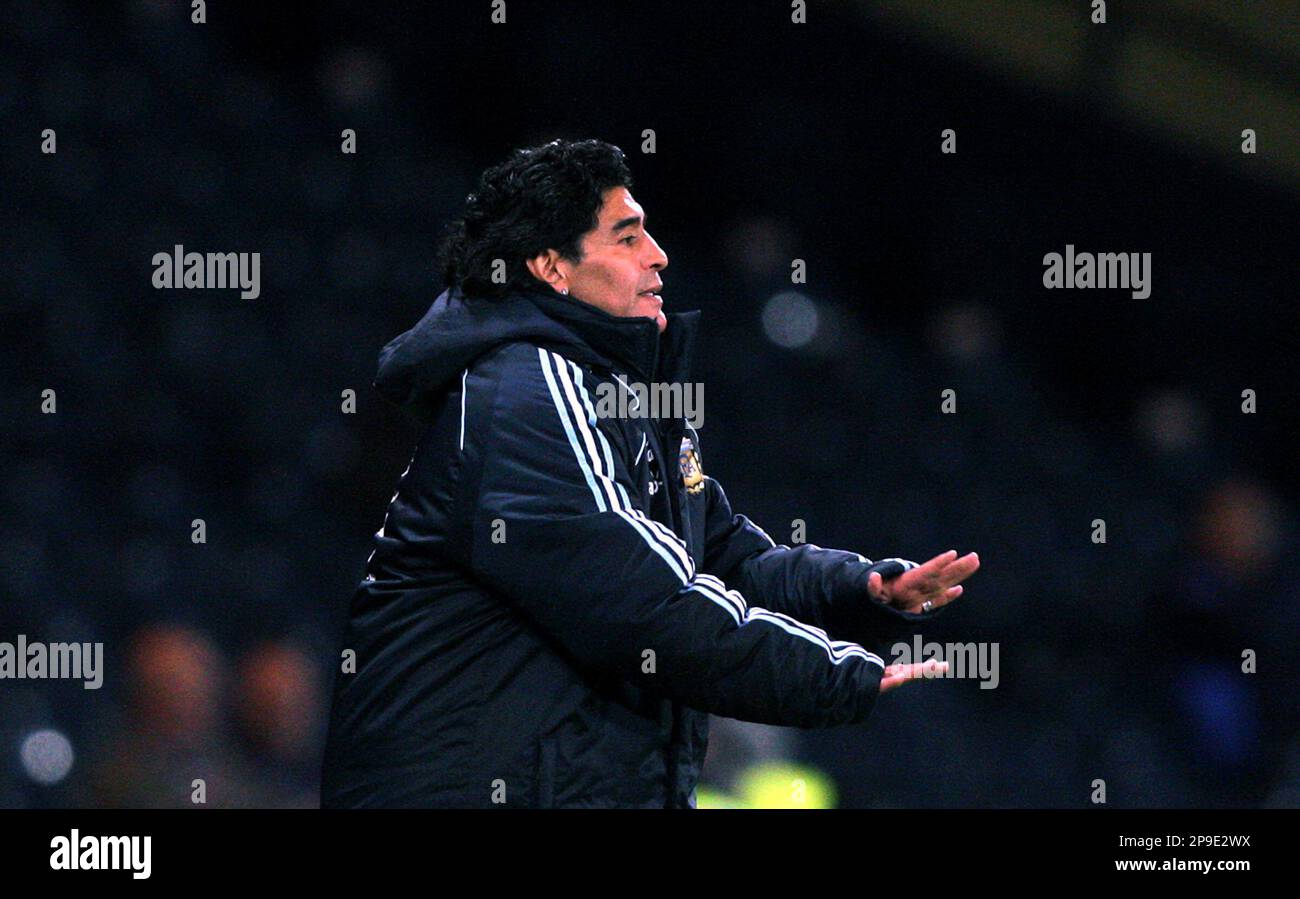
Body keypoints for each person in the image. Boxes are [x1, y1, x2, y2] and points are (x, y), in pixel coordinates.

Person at [320, 138, 979, 808]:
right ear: (551, 265)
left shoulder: (621, 399)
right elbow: (650, 606)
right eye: (627, 237)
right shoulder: (525, 388)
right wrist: (837, 674)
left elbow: (725, 561)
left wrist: (861, 590)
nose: (658, 254)